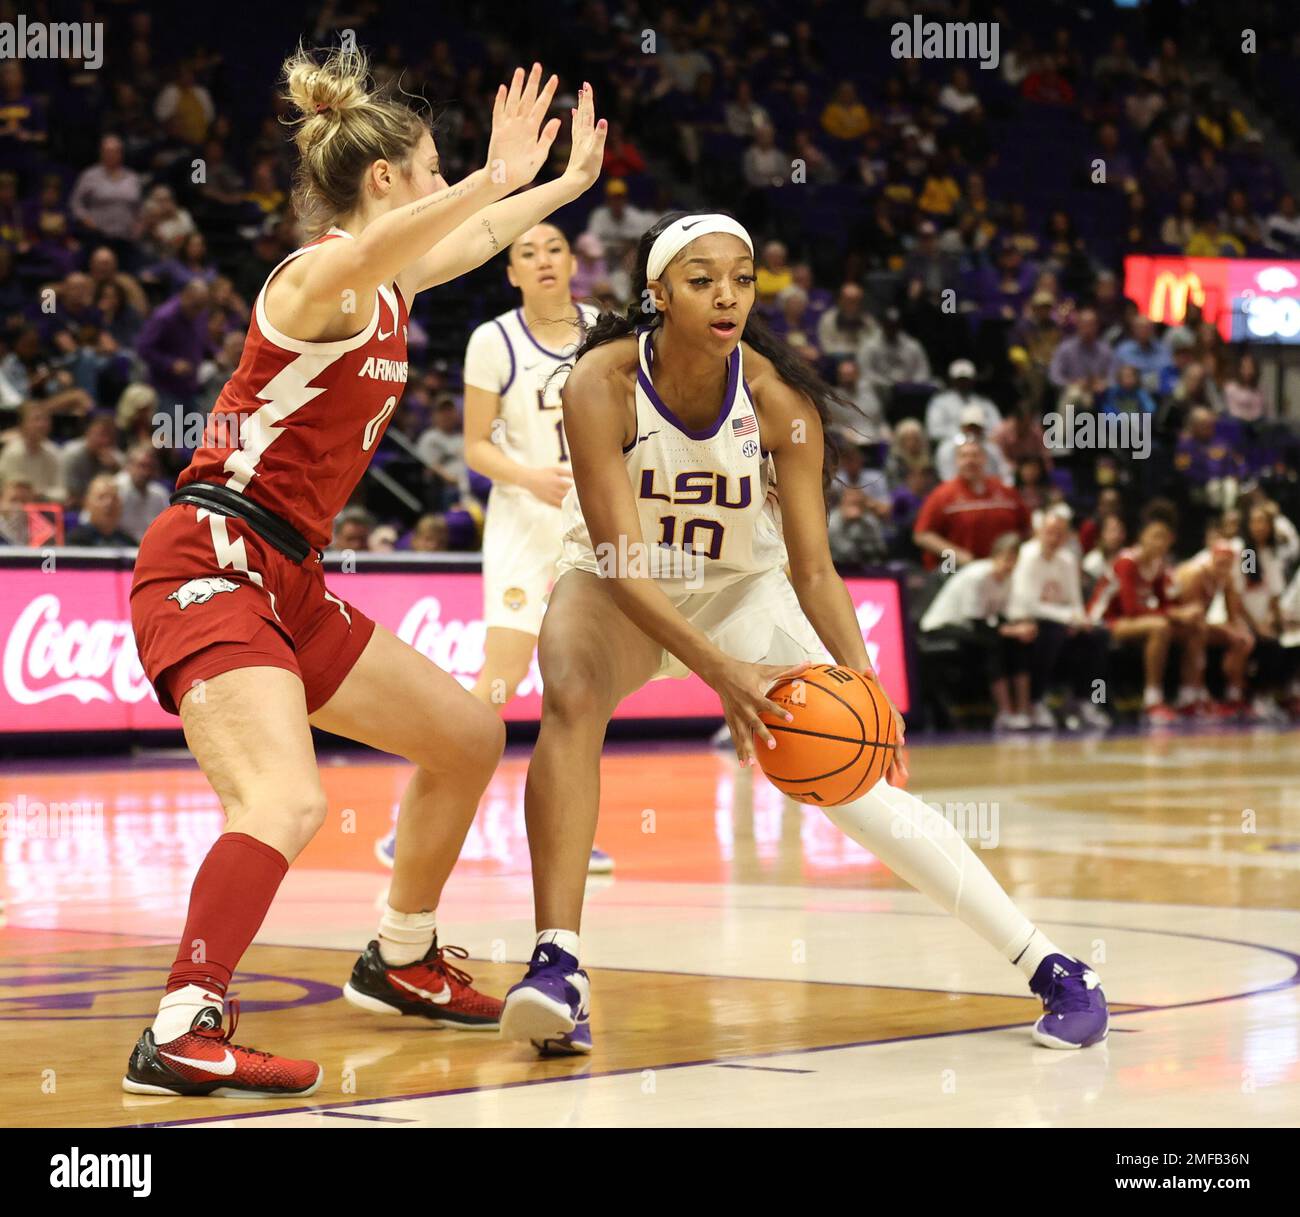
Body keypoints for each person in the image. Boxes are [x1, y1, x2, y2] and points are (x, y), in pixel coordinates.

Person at [499, 211, 1109, 1058]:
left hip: (744, 590)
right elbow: (620, 559)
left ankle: (1054, 967)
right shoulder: (599, 384)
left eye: (743, 279)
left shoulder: (778, 403)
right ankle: (558, 965)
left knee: (859, 786)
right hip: (620, 587)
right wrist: (720, 672)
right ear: (659, 292)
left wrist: (868, 686)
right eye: (704, 279)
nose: (727, 295)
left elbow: (815, 570)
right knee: (568, 693)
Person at [123, 50, 608, 1098]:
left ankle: (401, 954)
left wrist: (553, 185)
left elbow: (467, 237)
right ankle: (184, 1017)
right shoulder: (311, 279)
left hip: (286, 577)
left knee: (467, 734)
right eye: (431, 172)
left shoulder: (387, 284)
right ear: (385, 181)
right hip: (207, 560)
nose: (445, 190)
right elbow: (420, 234)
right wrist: (492, 176)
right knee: (284, 799)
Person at [375, 222, 612, 874]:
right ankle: (418, 819)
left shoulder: (607, 332)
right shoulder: (493, 340)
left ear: (572, 261)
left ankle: (573, 824)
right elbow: (477, 446)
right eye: (526, 252)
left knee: (580, 686)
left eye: (554, 247)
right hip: (519, 526)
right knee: (501, 679)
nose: (541, 260)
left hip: (588, 531)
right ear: (510, 273)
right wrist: (531, 477)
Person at [1087, 506, 1203, 725]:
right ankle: (1152, 700)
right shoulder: (1127, 562)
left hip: (1134, 622)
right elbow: (1130, 608)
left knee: (1194, 628)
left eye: (1164, 538)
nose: (1160, 543)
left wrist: (1182, 614)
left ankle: (1190, 696)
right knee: (1160, 626)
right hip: (1103, 621)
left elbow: (1164, 602)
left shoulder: (1158, 564)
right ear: (1142, 538)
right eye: (1154, 537)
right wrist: (1174, 614)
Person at [919, 532, 1035, 730]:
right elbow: (977, 623)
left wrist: (1020, 629)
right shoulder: (978, 576)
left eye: (1014, 561)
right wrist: (1013, 631)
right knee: (993, 644)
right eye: (1007, 559)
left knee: (1018, 645)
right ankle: (1004, 712)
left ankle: (1024, 710)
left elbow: (999, 617)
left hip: (970, 627)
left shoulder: (1007, 579)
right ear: (995, 556)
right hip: (941, 626)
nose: (1010, 565)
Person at [1008, 507, 1111, 730]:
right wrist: (1068, 618)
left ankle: (1082, 701)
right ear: (1039, 532)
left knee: (1097, 635)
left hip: (1061, 621)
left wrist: (1080, 620)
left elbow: (1075, 600)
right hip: (1027, 620)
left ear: (1067, 536)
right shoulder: (1026, 556)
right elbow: (1028, 604)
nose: (1054, 538)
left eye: (1060, 533)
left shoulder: (1067, 559)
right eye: (1050, 532)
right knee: (1050, 634)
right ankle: (1036, 701)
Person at [67, 473, 137, 547]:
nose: (109, 503)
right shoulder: (75, 541)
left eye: (114, 498)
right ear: (87, 503)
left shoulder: (129, 543)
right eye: (101, 497)